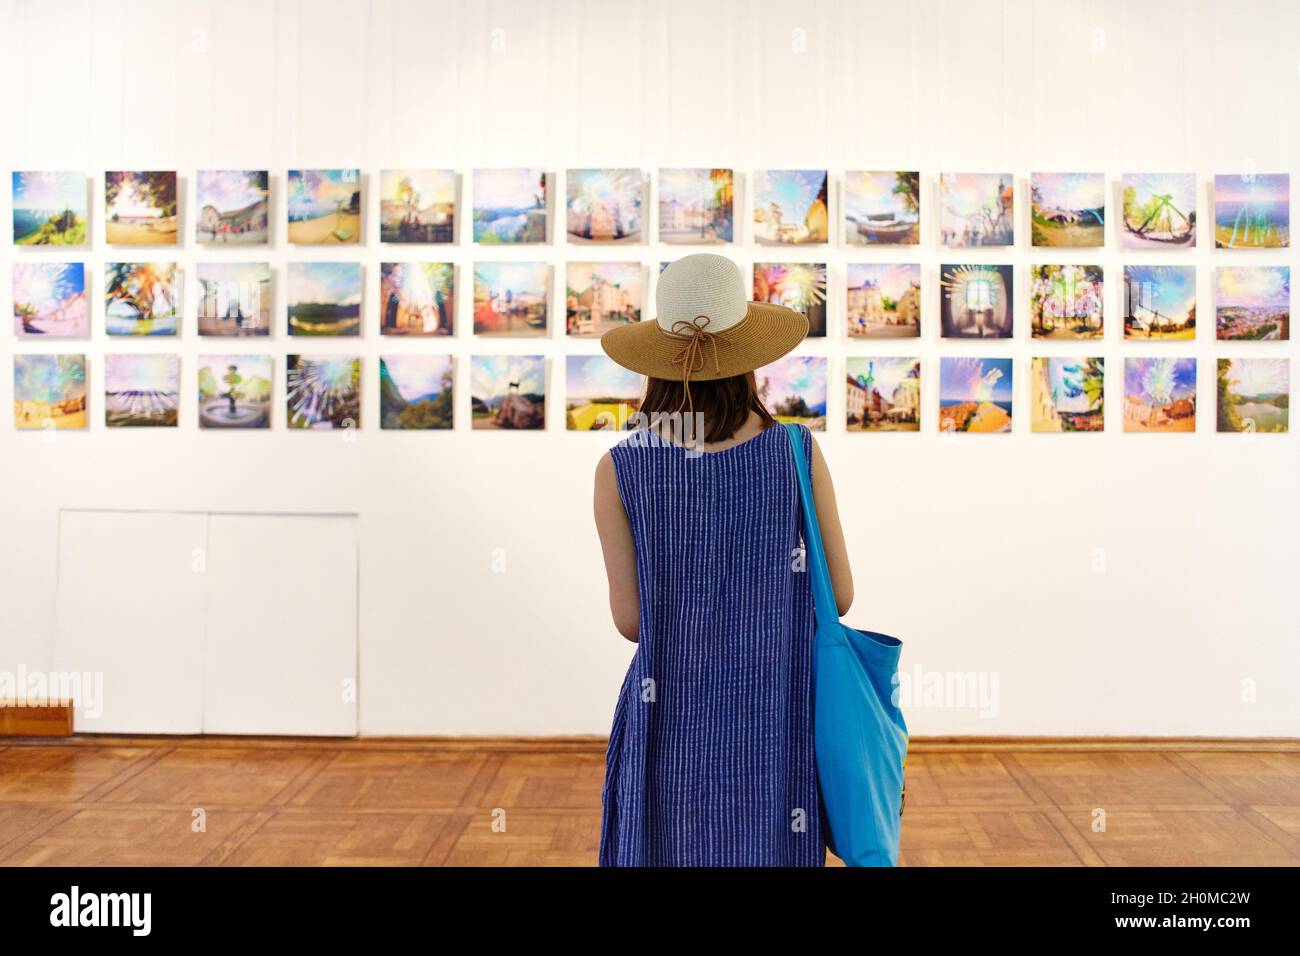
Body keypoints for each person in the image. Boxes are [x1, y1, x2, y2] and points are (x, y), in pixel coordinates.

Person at [593, 253, 854, 866]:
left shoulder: (620, 469)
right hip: (774, 720)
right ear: (747, 360)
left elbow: (632, 621)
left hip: (669, 721)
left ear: (658, 360)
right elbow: (838, 598)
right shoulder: (795, 453)